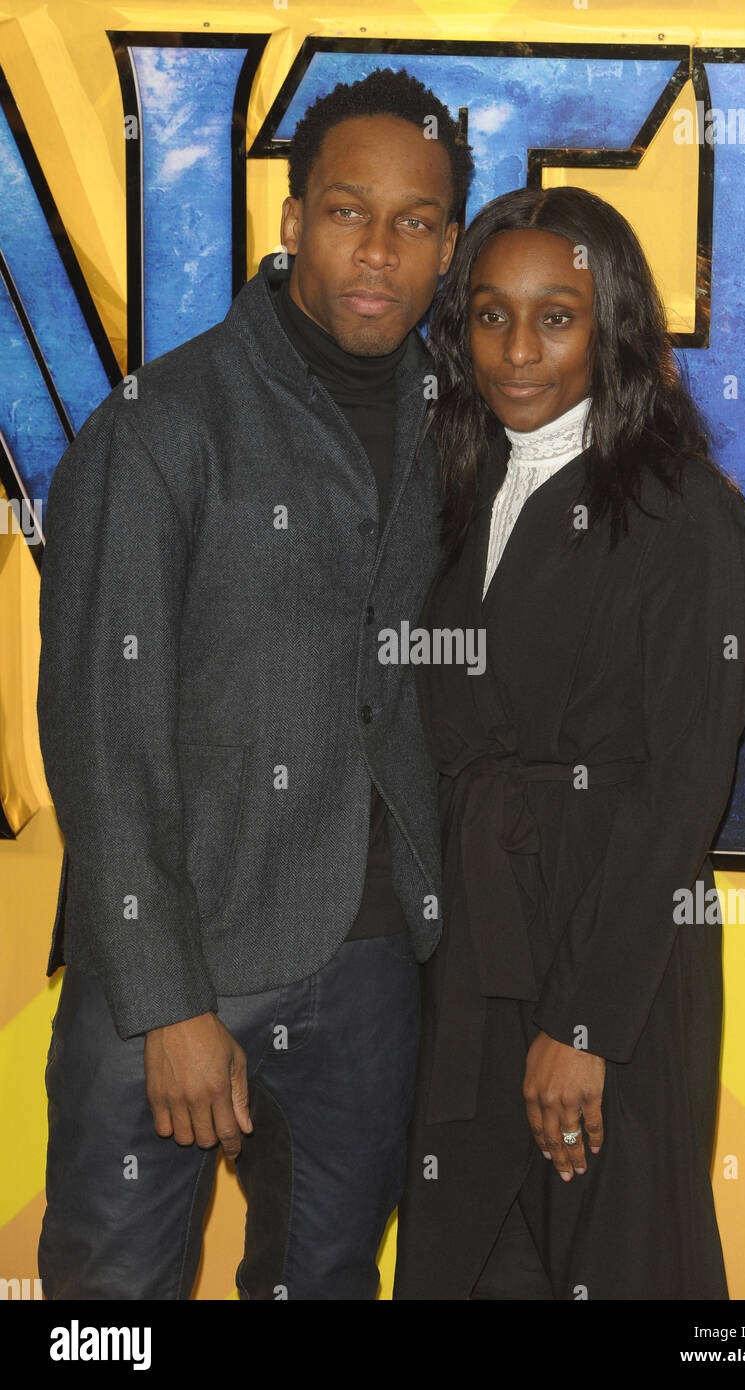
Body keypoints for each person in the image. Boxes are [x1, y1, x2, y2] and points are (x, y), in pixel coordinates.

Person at [36, 67, 472, 1300]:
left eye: (418, 221)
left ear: (448, 245)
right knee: (108, 1309)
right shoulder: (161, 424)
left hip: (376, 957)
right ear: (290, 223)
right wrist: (170, 1003)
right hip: (175, 966)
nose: (380, 250)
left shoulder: (457, 421)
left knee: (325, 1283)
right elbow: (97, 728)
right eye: (347, 211)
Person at [392, 185, 745, 1301]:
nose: (517, 350)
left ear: (614, 328)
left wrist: (582, 1022)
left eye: (556, 316)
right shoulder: (451, 491)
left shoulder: (683, 510)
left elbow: (681, 792)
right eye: (490, 314)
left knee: (619, 1265)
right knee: (465, 1264)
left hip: (614, 969)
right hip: (468, 960)